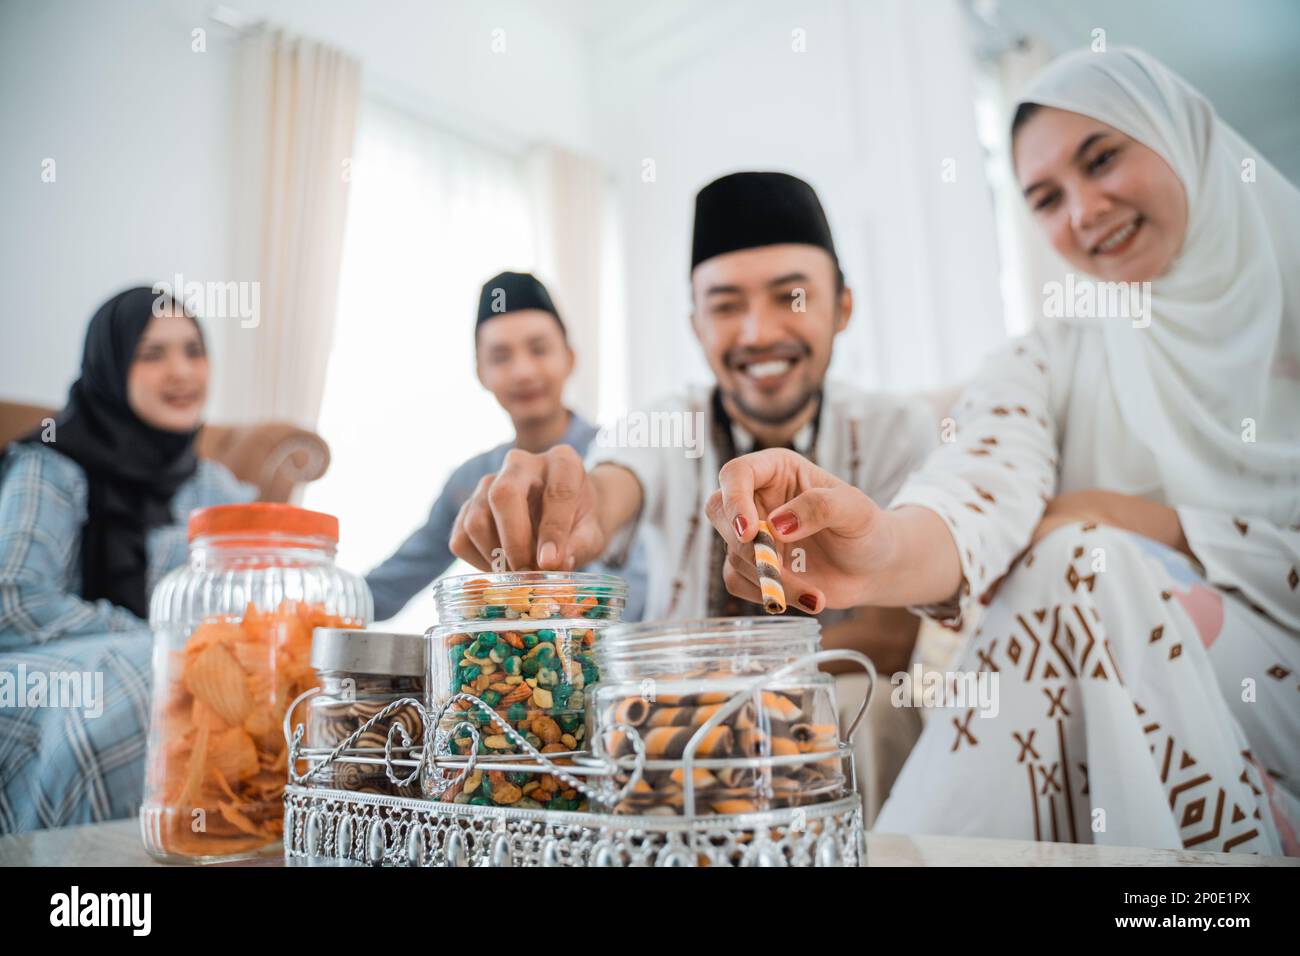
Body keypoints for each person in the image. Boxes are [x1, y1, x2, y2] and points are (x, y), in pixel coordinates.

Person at [706, 49, 1299, 854]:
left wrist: (1143, 522)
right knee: (1076, 563)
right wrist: (878, 553)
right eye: (1046, 198)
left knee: (1081, 556)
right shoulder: (1052, 356)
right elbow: (981, 481)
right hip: (1132, 682)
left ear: (1182, 135)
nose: (1084, 211)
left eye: (1102, 159)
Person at [449, 173, 939, 819]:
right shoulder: (663, 425)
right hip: (666, 739)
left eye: (790, 297)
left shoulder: (897, 431)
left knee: (864, 715)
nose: (757, 332)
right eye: (727, 305)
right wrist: (572, 513)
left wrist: (725, 686)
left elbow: (893, 637)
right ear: (696, 324)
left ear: (842, 307)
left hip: (817, 723)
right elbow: (612, 486)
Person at [0, 287, 255, 831]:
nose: (180, 371)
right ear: (110, 367)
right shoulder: (50, 465)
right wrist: (159, 641)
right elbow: (15, 603)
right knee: (148, 680)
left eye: (193, 350)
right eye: (151, 354)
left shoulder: (215, 487)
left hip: (171, 676)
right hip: (40, 672)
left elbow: (258, 604)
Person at [365, 271, 645, 621]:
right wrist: (315, 596)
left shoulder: (626, 460)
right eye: (501, 356)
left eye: (539, 349)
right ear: (481, 372)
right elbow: (388, 588)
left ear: (570, 358)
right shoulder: (469, 483)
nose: (522, 372)